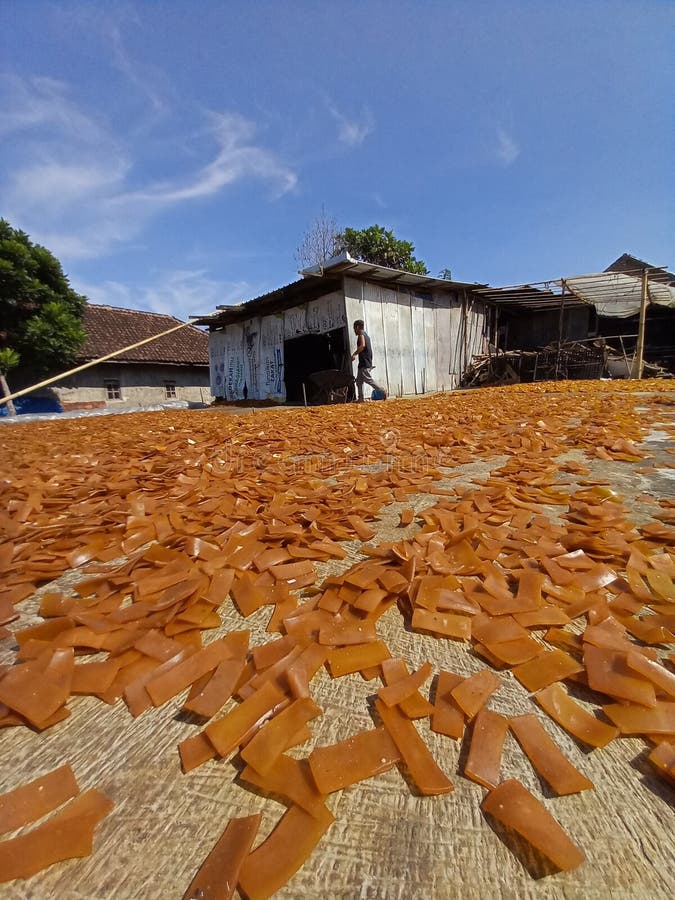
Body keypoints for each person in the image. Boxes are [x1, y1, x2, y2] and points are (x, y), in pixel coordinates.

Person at [351, 320, 387, 401]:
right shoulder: (366, 335)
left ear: (357, 327)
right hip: (363, 362)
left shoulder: (361, 335)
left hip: (364, 362)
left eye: (354, 328)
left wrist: (354, 354)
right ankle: (360, 399)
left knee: (368, 379)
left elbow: (362, 345)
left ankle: (382, 391)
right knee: (359, 382)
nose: (354, 331)